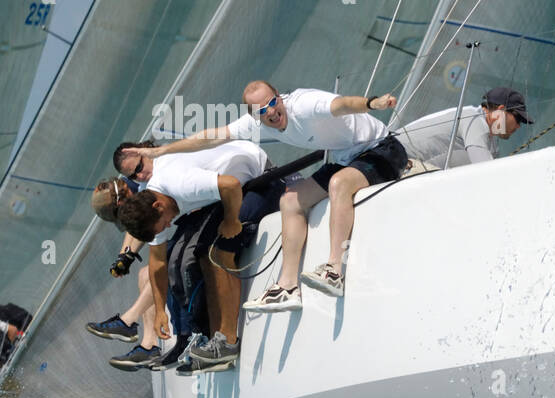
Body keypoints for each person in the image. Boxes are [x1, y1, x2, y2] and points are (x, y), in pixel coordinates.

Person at [121, 82, 408, 308]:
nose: (270, 112)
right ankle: (287, 287)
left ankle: (334, 269)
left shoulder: (304, 104)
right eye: (262, 110)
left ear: (280, 98)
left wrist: (373, 103)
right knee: (290, 200)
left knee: (338, 185)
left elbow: (343, 104)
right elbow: (211, 135)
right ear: (254, 115)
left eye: (273, 103)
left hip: (382, 149)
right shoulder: (256, 122)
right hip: (345, 159)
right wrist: (160, 151)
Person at [116, 140, 279, 372]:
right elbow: (158, 261)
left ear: (159, 207)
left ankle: (229, 342)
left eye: (162, 225)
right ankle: (216, 341)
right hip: (227, 190)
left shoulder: (180, 184)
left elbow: (230, 185)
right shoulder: (148, 201)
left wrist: (232, 221)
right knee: (203, 256)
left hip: (260, 177)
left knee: (220, 254)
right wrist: (160, 310)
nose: (167, 227)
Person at [86, 176, 167, 371]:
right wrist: (124, 257)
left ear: (122, 203)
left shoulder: (150, 187)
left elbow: (142, 222)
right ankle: (149, 346)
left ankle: (127, 321)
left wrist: (127, 256)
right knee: (143, 275)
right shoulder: (131, 190)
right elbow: (135, 225)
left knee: (158, 269)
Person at [396, 86, 531, 174]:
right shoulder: (475, 119)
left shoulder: (490, 144)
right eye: (518, 119)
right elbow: (487, 172)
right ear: (501, 110)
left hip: (405, 166)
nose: (518, 126)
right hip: (394, 161)